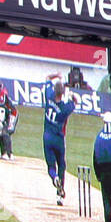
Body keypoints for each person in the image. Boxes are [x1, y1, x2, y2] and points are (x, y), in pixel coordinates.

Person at [42, 76, 77, 204]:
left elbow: (47, 79)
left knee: (51, 166)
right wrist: (71, 95)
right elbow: (75, 102)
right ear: (62, 93)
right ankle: (59, 195)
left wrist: (56, 74)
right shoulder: (64, 108)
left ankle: (54, 177)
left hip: (47, 137)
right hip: (59, 139)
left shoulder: (49, 96)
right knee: (61, 164)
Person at [0, 82, 18, 160]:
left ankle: (10, 154)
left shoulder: (2, 95)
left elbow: (2, 109)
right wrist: (1, 121)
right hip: (6, 116)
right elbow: (1, 110)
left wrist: (1, 122)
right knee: (2, 132)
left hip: (12, 115)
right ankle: (4, 153)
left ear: (1, 87)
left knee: (6, 132)